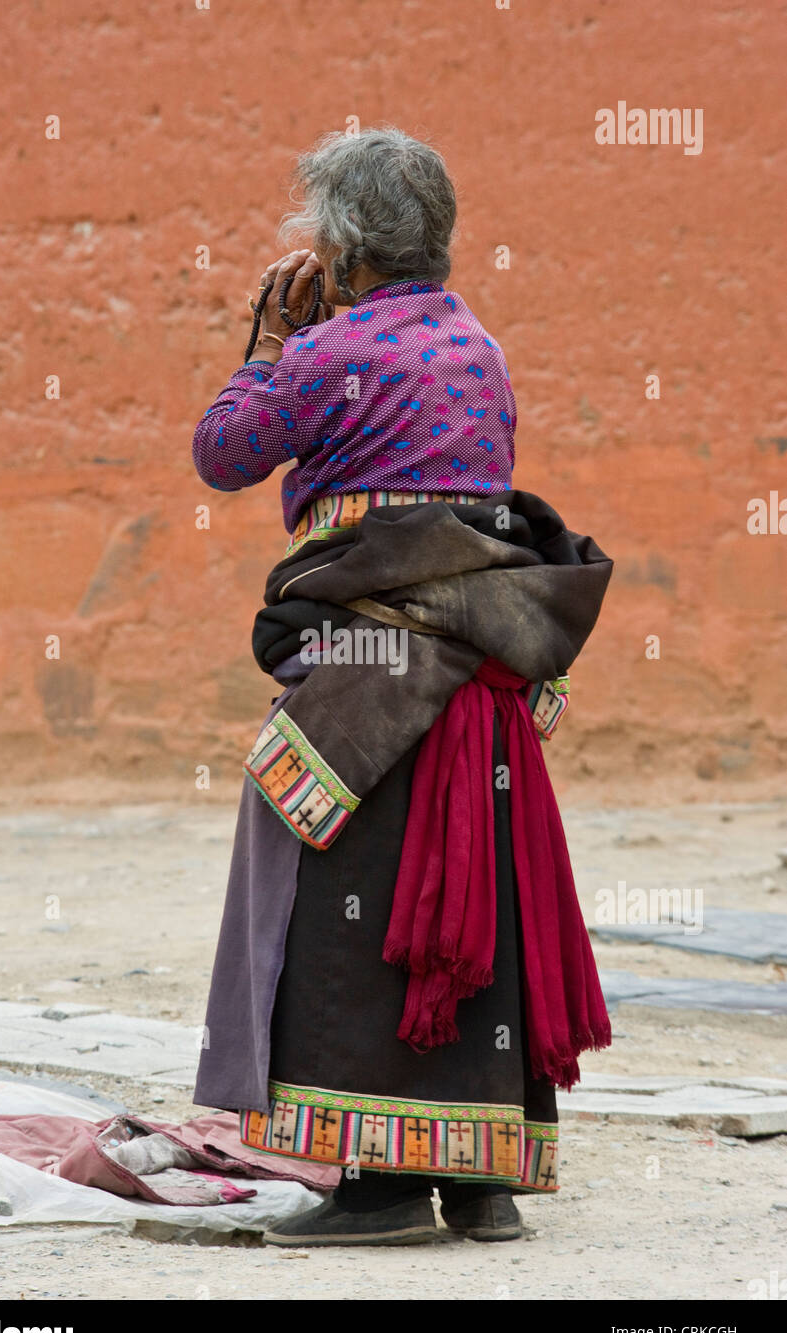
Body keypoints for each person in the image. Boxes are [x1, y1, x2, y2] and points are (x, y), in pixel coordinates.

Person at [192, 127, 612, 1246]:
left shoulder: (326, 357)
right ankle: (482, 1181)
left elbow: (224, 453)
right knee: (478, 881)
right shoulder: (481, 345)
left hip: (368, 668)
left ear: (340, 249)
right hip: (478, 671)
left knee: (341, 885)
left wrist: (270, 342)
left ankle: (375, 1184)